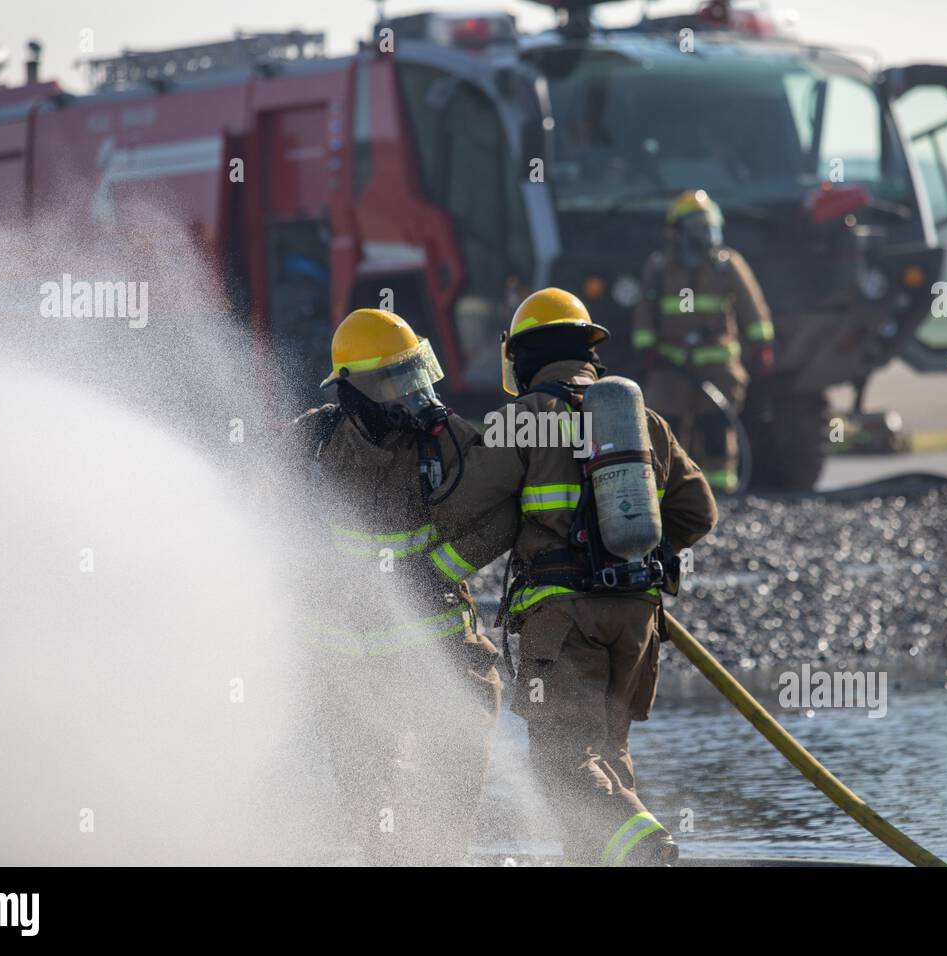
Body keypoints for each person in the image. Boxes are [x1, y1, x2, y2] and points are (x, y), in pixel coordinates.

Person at [432, 288, 719, 866]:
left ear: (521, 356)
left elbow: (457, 506)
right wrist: (652, 552)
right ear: (589, 351)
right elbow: (699, 511)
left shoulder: (526, 418)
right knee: (606, 753)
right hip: (638, 619)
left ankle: (644, 843)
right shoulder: (644, 421)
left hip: (564, 620)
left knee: (562, 759)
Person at [291, 308, 514, 865]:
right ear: (355, 393)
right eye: (396, 384)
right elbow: (257, 496)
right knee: (373, 816)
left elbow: (505, 511)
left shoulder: (449, 443)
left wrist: (441, 567)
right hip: (347, 667)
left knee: (452, 787)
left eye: (416, 376)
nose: (414, 396)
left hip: (441, 649)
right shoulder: (316, 440)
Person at [631, 189, 775, 492]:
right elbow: (645, 314)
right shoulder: (660, 269)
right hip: (671, 368)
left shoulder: (727, 265)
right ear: (678, 232)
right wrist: (647, 351)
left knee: (716, 431)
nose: (706, 236)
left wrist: (761, 345)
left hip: (718, 366)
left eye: (709, 227)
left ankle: (721, 494)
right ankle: (668, 494)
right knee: (664, 430)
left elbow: (753, 308)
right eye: (698, 227)